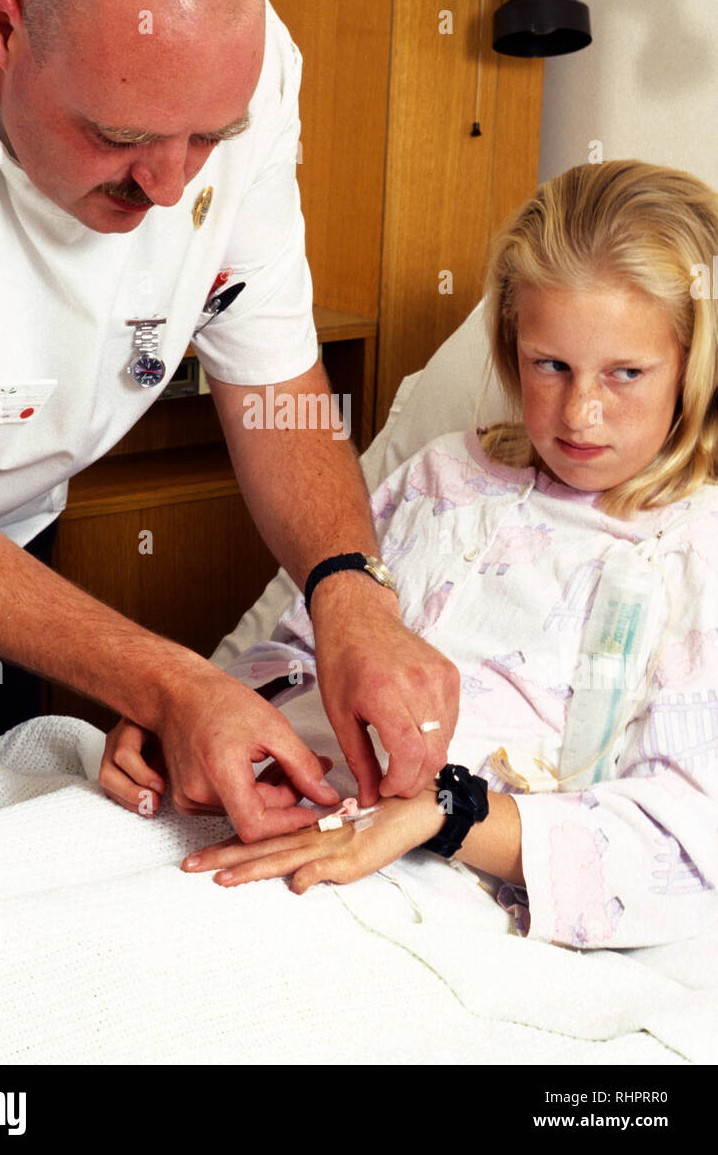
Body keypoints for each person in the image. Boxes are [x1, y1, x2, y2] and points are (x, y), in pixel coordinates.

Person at [0, 0, 458, 837]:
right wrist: (168, 679)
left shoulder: (242, 65)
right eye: (120, 137)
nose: (173, 186)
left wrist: (348, 587)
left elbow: (277, 386)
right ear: (1, 26)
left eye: (208, 141)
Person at [180, 160, 718, 949]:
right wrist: (198, 706)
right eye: (550, 366)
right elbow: (298, 647)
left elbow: (682, 853)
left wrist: (447, 813)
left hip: (444, 877)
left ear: (692, 368)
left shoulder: (690, 550)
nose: (580, 411)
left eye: (626, 374)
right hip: (276, 800)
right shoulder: (442, 476)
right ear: (509, 344)